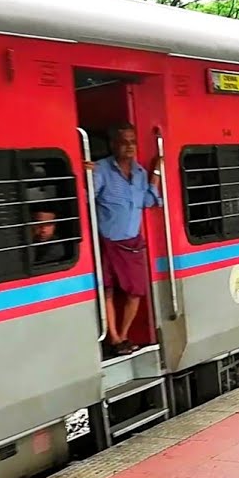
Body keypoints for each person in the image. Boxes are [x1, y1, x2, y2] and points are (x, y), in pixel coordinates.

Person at [86, 123, 162, 356]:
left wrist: (156, 174)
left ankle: (126, 334)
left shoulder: (140, 173)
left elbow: (150, 202)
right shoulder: (101, 170)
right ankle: (115, 338)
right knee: (107, 290)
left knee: (135, 292)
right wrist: (84, 173)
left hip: (132, 242)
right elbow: (88, 196)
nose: (129, 147)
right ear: (113, 145)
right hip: (108, 241)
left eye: (132, 142)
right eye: (124, 142)